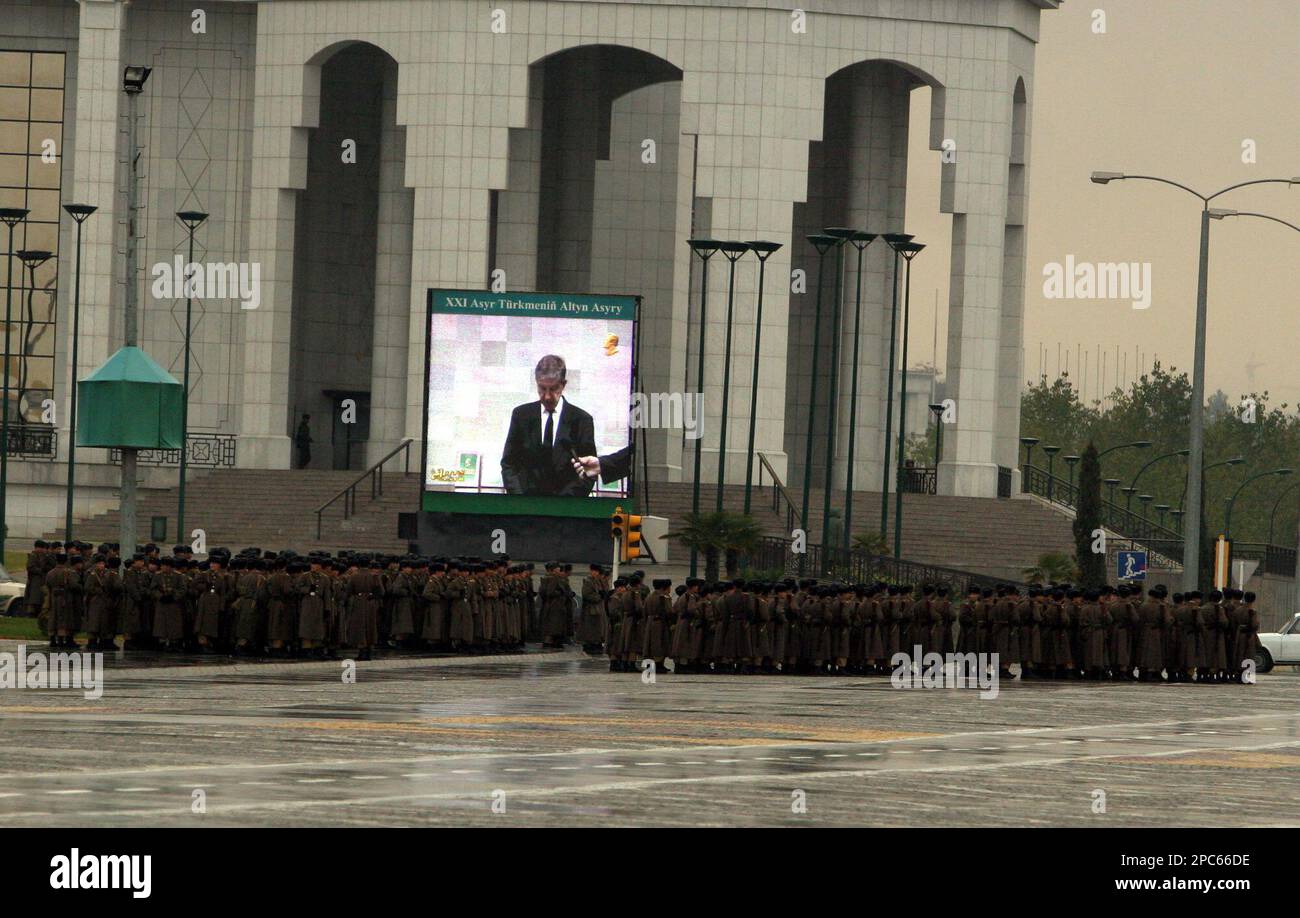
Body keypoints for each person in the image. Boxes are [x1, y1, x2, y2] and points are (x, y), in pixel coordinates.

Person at [500, 355, 597, 496]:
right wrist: (519, 500)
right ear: (536, 382)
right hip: (524, 507)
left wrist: (562, 506)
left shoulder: (582, 420)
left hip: (566, 510)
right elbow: (509, 464)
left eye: (553, 389)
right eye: (542, 388)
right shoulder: (521, 415)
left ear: (563, 385)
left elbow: (588, 472)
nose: (547, 396)